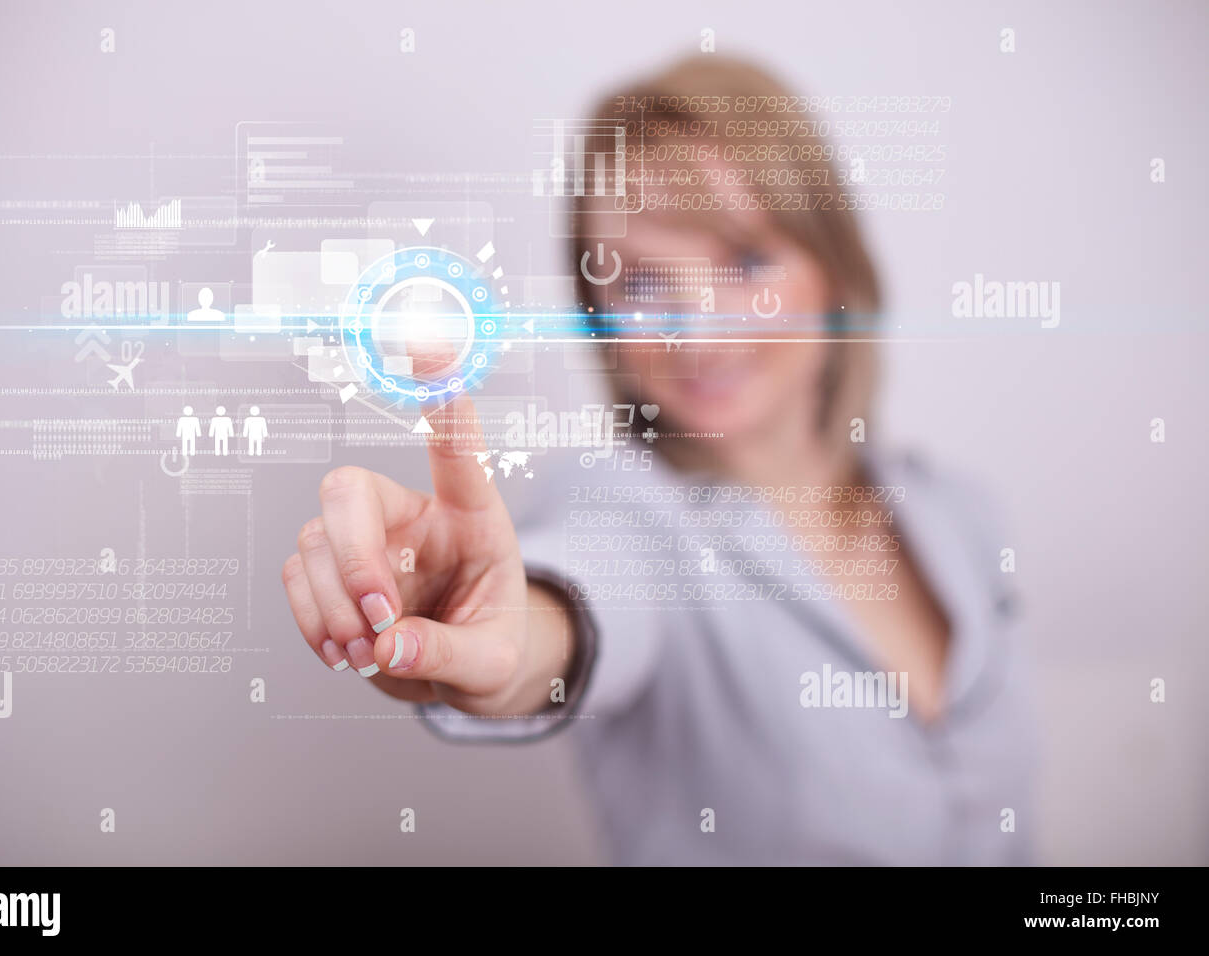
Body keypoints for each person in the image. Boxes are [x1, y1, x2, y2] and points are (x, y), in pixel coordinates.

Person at [281, 56, 1036, 864]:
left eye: (745, 263)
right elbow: (581, 599)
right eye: (641, 280)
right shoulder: (618, 508)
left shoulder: (957, 511)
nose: (696, 327)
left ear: (834, 267)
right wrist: (508, 630)